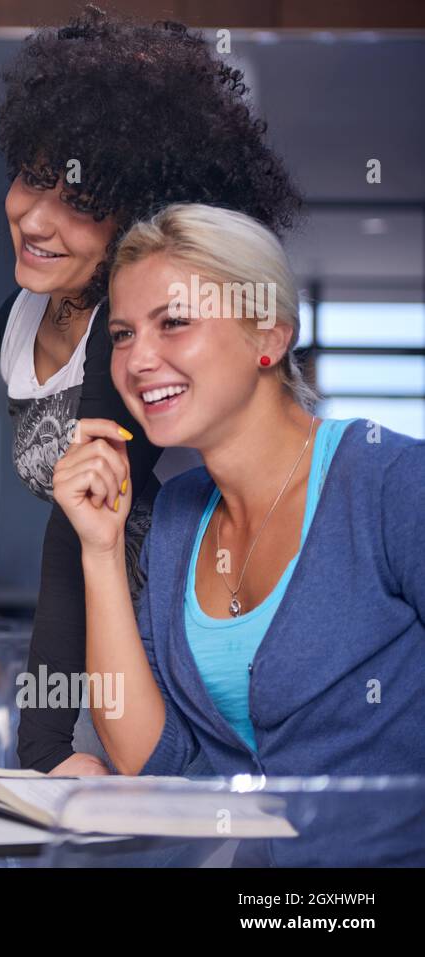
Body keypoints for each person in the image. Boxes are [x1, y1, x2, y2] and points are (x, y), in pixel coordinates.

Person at [0, 5, 302, 774]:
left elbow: (76, 532)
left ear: (139, 216)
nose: (35, 216)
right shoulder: (17, 319)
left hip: (164, 646)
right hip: (101, 630)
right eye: (31, 177)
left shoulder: (125, 347)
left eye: (81, 202)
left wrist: (45, 751)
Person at [55, 204, 425, 863]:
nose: (139, 359)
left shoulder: (391, 482)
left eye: (174, 323)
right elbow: (151, 758)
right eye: (121, 333)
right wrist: (101, 549)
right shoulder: (179, 518)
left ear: (271, 335)